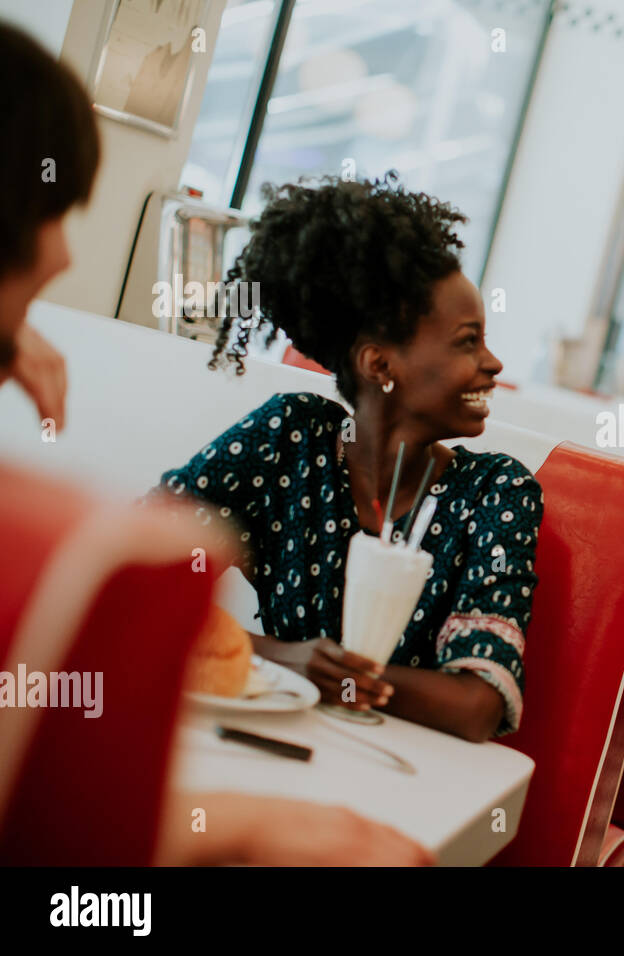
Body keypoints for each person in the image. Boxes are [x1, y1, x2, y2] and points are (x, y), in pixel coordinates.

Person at [0, 21, 431, 866]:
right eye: (46, 215)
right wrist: (237, 820)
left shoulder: (497, 491)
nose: (60, 254)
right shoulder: (281, 436)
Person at [156, 175, 542, 743]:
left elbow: (476, 705)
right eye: (467, 341)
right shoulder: (290, 438)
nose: (493, 364)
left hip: (405, 778)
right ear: (380, 366)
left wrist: (336, 679)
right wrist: (285, 659)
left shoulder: (496, 492)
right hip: (266, 743)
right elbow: (140, 570)